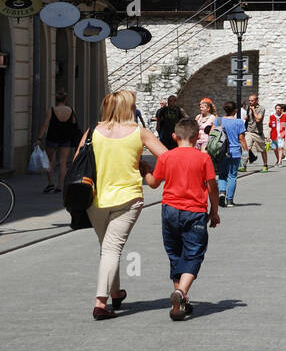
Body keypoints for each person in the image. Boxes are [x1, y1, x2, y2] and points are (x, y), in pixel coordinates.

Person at [81, 89, 165, 320]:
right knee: (111, 248)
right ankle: (100, 303)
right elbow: (167, 157)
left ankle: (116, 292)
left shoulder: (93, 132)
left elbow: (79, 158)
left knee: (108, 247)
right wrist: (148, 171)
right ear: (129, 108)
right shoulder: (139, 132)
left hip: (95, 199)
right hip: (128, 199)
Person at [144, 115, 219, 319]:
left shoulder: (167, 157)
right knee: (193, 253)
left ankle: (181, 303)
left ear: (174, 136)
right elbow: (212, 187)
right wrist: (214, 211)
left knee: (175, 254)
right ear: (197, 137)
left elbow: (153, 183)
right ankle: (181, 293)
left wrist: (144, 169)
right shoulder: (203, 158)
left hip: (169, 210)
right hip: (194, 211)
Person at [37, 90, 80, 194]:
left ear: (56, 100)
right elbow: (74, 124)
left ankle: (51, 183)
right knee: (63, 162)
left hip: (52, 138)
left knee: (50, 161)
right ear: (65, 100)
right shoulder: (71, 110)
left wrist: (39, 138)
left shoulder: (51, 110)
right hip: (66, 139)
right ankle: (60, 186)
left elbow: (45, 125)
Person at [216, 102, 248, 207]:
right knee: (232, 176)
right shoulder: (239, 122)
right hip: (234, 151)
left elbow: (212, 134)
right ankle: (229, 200)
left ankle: (221, 192)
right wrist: (246, 151)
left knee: (222, 174)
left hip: (221, 151)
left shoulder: (218, 120)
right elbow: (241, 138)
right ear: (235, 110)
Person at [241, 92, 271, 173]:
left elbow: (258, 119)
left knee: (262, 150)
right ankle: (243, 165)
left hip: (258, 132)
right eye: (249, 101)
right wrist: (246, 118)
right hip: (249, 132)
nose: (250, 102)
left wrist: (253, 110)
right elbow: (247, 119)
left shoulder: (261, 108)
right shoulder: (248, 108)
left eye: (252, 101)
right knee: (246, 148)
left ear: (257, 100)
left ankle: (265, 165)